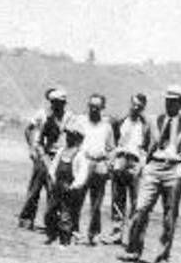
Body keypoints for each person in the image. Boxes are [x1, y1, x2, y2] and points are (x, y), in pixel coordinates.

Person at [124, 85, 181, 263]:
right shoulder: (155, 121)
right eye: (167, 100)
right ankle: (133, 249)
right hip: (154, 167)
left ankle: (163, 256)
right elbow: (144, 147)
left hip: (175, 169)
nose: (169, 104)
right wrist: (143, 166)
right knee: (140, 209)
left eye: (174, 101)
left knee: (170, 216)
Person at [19, 87, 68, 229]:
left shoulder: (67, 118)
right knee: (35, 189)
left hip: (58, 157)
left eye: (61, 102)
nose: (58, 105)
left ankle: (51, 222)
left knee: (53, 189)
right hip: (43, 155)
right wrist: (32, 148)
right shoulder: (43, 115)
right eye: (55, 102)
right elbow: (29, 129)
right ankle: (26, 219)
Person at [109, 93, 152, 242]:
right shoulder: (121, 121)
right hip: (121, 159)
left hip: (136, 162)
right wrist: (113, 159)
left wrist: (142, 164)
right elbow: (113, 141)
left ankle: (132, 236)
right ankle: (116, 233)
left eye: (139, 106)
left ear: (143, 107)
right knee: (117, 199)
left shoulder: (146, 125)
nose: (135, 108)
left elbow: (147, 146)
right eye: (133, 104)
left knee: (136, 201)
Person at [75, 94, 115, 244]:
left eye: (97, 107)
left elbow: (111, 148)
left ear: (102, 108)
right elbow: (72, 142)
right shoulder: (80, 122)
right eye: (91, 106)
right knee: (77, 199)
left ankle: (94, 233)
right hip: (83, 164)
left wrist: (109, 165)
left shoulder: (107, 126)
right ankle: (74, 231)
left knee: (96, 203)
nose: (93, 109)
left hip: (99, 165)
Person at [46, 117, 90, 246]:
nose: (68, 138)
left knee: (66, 215)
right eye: (67, 135)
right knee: (50, 212)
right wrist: (53, 178)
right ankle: (51, 235)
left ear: (78, 139)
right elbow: (53, 167)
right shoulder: (61, 151)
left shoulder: (79, 155)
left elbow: (82, 174)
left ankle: (64, 240)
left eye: (71, 136)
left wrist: (74, 186)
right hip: (57, 186)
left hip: (69, 188)